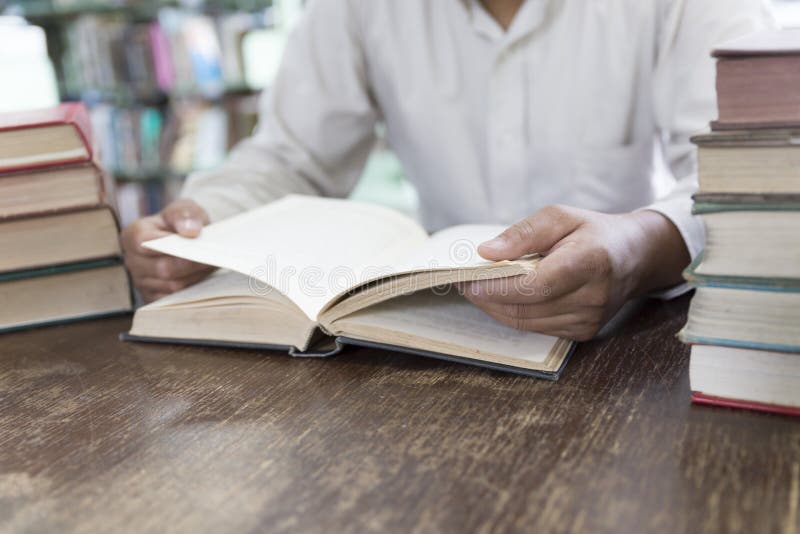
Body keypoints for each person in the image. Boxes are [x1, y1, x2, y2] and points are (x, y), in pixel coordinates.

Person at [121, 0, 774, 341]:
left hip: (643, 332)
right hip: (432, 325)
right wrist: (201, 222)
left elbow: (752, 172)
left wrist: (641, 246)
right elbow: (293, 155)